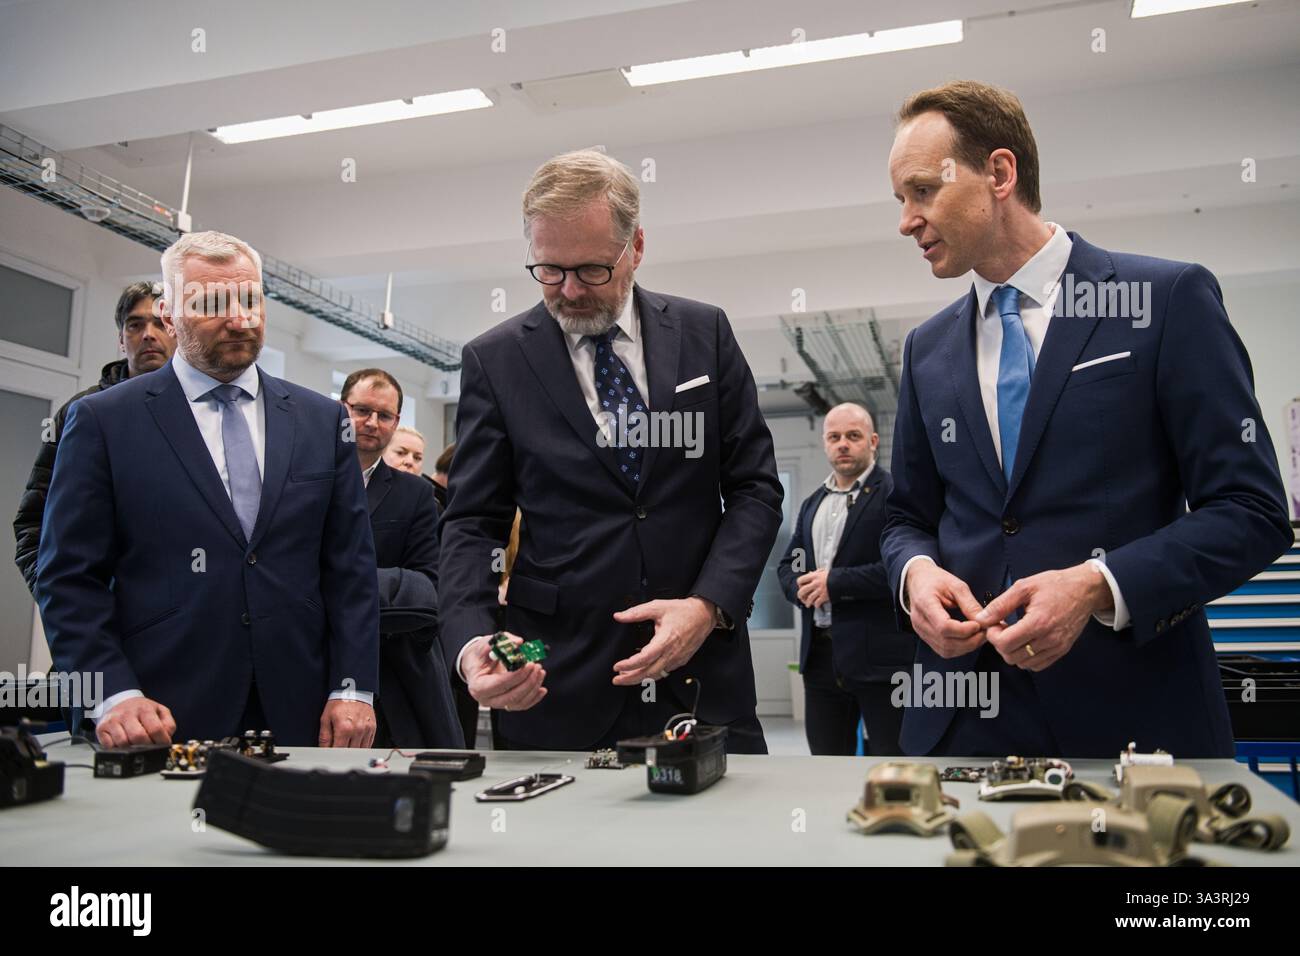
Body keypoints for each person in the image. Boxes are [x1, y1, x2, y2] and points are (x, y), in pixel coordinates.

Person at [880, 81, 1292, 758]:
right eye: (900, 199)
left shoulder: (1164, 301)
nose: (906, 220)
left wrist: (1098, 586)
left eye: (922, 190)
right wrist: (915, 575)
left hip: (1136, 723)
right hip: (962, 728)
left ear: (1000, 173)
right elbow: (907, 517)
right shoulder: (928, 348)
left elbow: (1251, 509)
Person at [439, 148, 783, 753]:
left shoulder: (705, 335)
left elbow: (754, 488)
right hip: (555, 677)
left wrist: (707, 606)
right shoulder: (495, 361)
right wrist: (472, 645)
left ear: (637, 247)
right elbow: (474, 523)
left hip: (701, 671)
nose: (569, 290)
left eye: (592, 270)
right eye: (548, 270)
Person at [37, 231, 379, 747]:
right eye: (213, 303)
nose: (240, 319)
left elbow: (350, 568)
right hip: (159, 711)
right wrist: (111, 693)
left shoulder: (321, 419)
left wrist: (354, 688)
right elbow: (68, 578)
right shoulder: (105, 422)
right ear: (170, 316)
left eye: (250, 299)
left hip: (301, 708)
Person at [14, 281, 175, 596]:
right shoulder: (79, 413)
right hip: (101, 617)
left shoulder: (203, 414)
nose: (148, 334)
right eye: (135, 324)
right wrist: (60, 604)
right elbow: (34, 523)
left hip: (183, 622)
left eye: (160, 323)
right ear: (121, 339)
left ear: (178, 332)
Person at [778, 403, 910, 755]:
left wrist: (834, 584)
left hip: (881, 663)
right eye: (834, 437)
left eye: (853, 436)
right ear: (824, 443)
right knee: (826, 764)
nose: (843, 445)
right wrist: (799, 587)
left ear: (873, 441)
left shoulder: (895, 495)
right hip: (820, 661)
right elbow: (789, 564)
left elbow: (900, 570)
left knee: (891, 763)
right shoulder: (811, 503)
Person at [341, 368, 462, 748]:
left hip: (392, 665)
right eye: (361, 410)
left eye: (385, 415)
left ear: (396, 421)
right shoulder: (303, 478)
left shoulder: (415, 496)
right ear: (341, 409)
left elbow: (427, 583)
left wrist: (343, 583)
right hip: (312, 660)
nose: (372, 422)